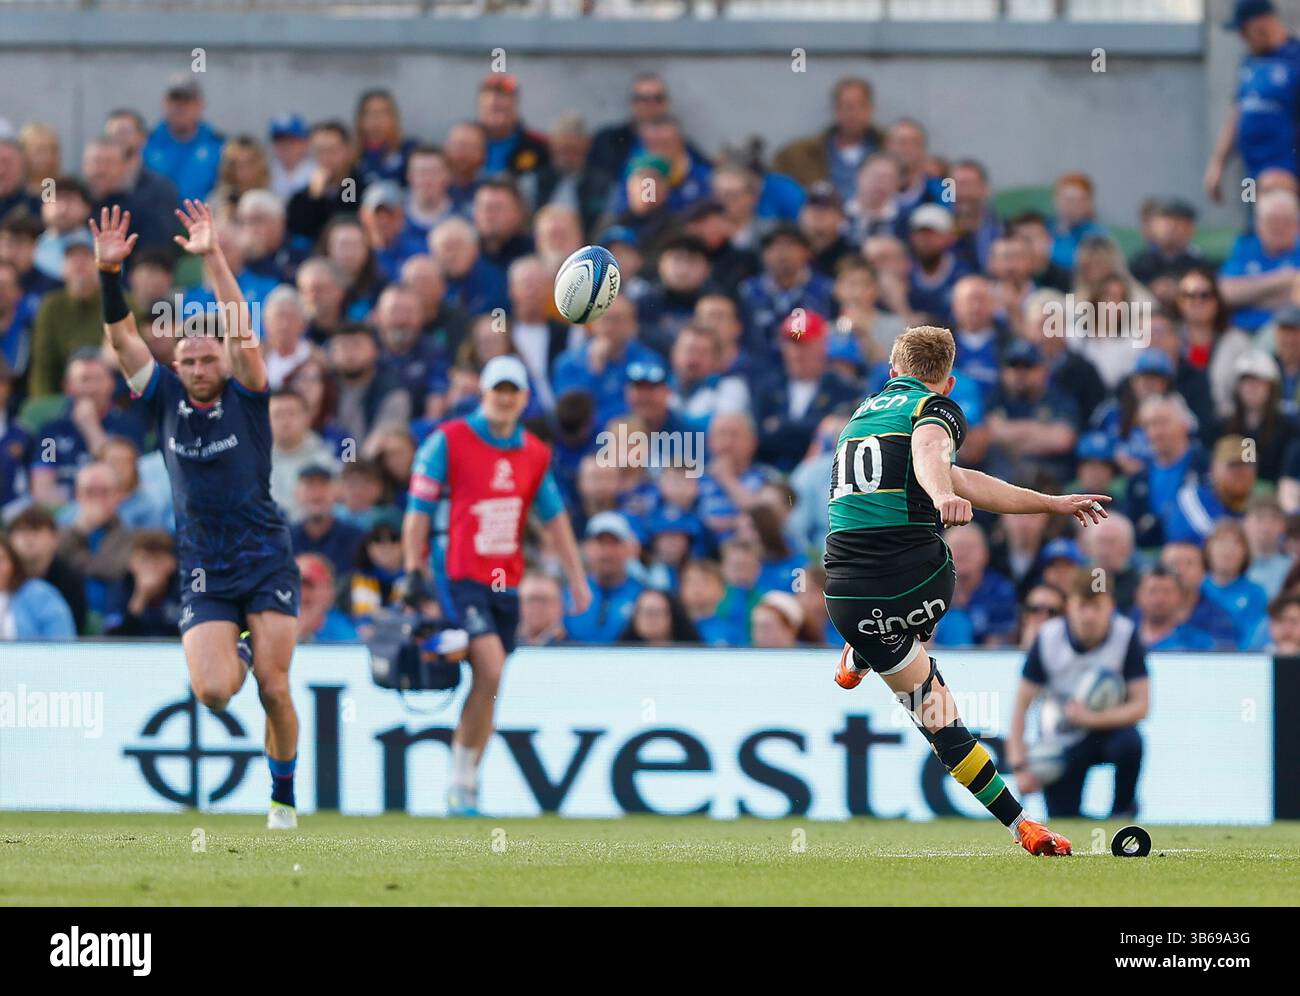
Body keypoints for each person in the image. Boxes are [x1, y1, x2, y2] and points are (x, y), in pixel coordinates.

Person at [825, 324, 1111, 856]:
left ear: (892, 370)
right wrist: (939, 495)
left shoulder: (860, 417)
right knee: (945, 580)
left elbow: (964, 477)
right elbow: (932, 454)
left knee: (937, 717)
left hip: (844, 594)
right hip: (914, 580)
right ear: (948, 382)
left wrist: (1049, 503)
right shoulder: (934, 410)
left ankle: (1024, 826)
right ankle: (874, 646)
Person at [93, 201, 302, 830]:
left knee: (275, 687)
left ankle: (283, 799)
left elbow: (240, 326)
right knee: (214, 692)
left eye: (210, 358)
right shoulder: (161, 398)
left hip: (265, 557)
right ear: (178, 366)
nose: (201, 367)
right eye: (190, 361)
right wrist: (109, 274)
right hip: (205, 568)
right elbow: (123, 337)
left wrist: (212, 255)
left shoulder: (248, 396)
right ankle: (234, 646)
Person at [401, 354, 590, 816]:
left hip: (506, 577)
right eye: (497, 390)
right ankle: (459, 779)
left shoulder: (533, 453)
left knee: (490, 682)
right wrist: (412, 568)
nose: (504, 399)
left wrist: (576, 578)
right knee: (490, 667)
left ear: (524, 398)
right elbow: (418, 509)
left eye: (513, 391)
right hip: (458, 570)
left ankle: (466, 781)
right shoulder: (448, 441)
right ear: (483, 394)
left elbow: (554, 518)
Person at [1010, 574, 1150, 820]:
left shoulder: (1125, 635)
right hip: (1062, 740)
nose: (1089, 616)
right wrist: (1020, 767)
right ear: (1069, 607)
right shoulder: (1047, 638)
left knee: (1131, 743)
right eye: (1082, 606)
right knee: (1064, 820)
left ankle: (1122, 812)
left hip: (1107, 732)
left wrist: (1090, 719)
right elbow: (1021, 706)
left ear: (1111, 607)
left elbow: (1141, 706)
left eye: (1096, 607)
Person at [1204, 1, 1300, 202]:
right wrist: (1218, 163)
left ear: (1262, 24)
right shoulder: (1249, 62)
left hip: (1287, 173)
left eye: (1244, 30)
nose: (1241, 38)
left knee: (1282, 224)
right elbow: (1238, 113)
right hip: (1251, 174)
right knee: (1253, 223)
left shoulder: (1295, 59)